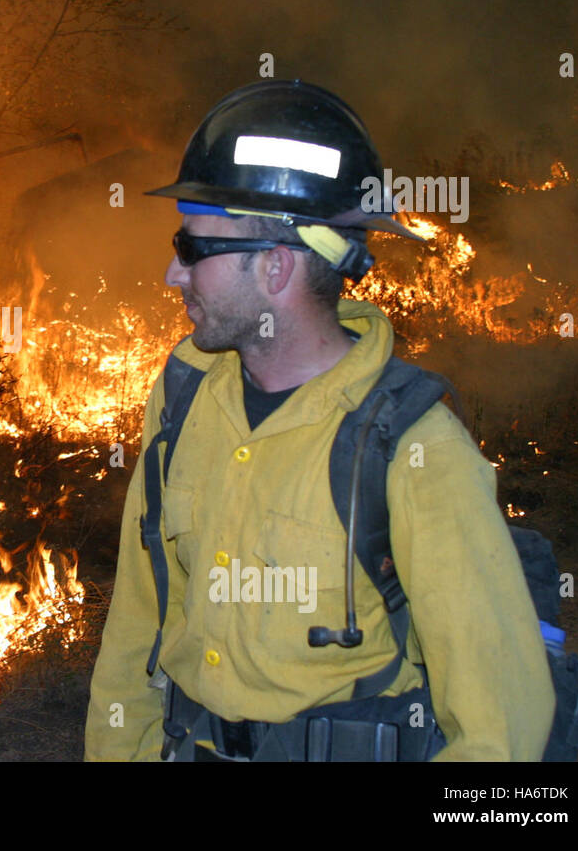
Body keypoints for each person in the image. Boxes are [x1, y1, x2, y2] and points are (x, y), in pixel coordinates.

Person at [84, 80, 554, 761]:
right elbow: (138, 623)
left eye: (192, 249)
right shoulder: (184, 397)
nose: (172, 274)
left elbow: (498, 731)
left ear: (275, 268)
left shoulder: (414, 448)